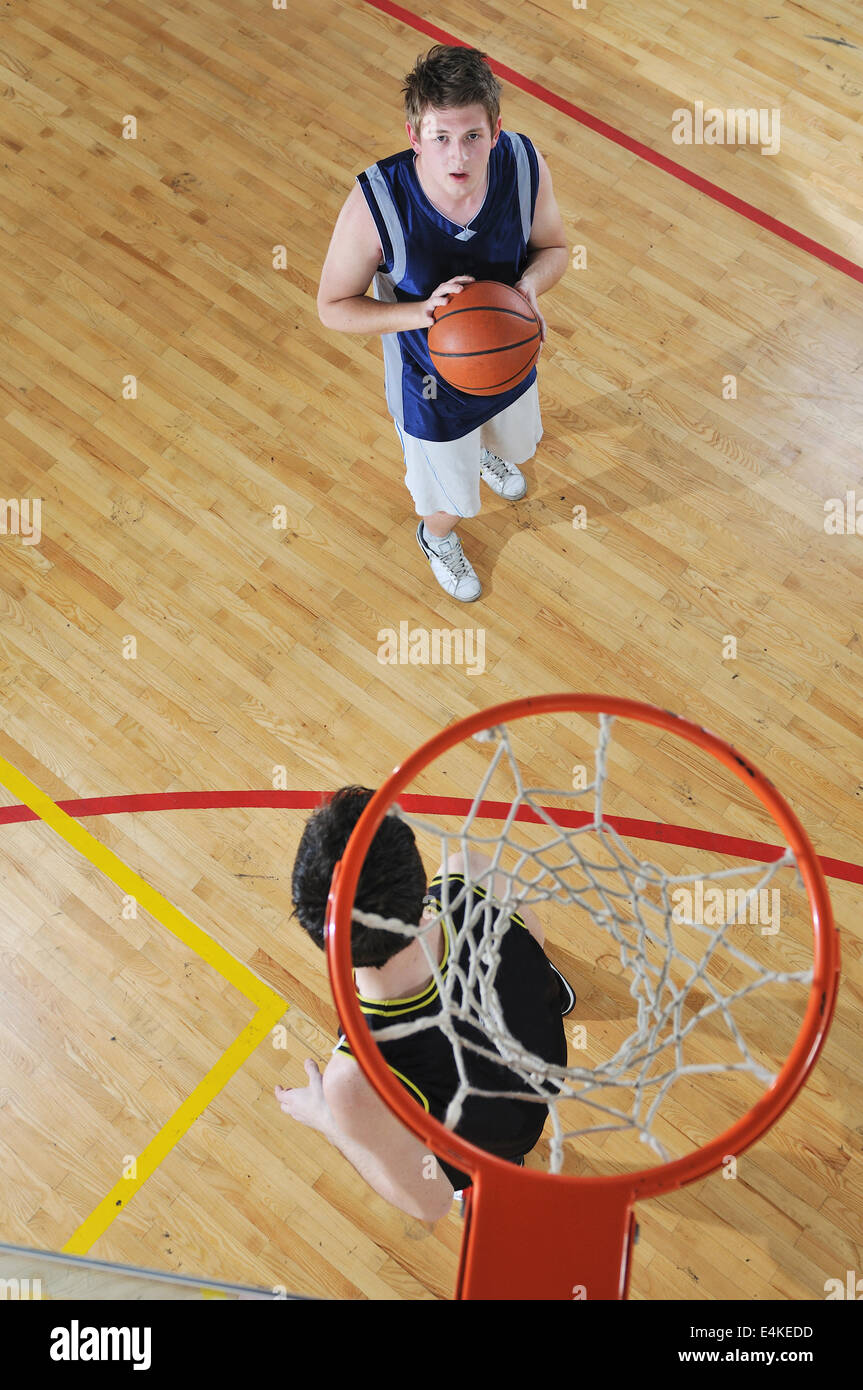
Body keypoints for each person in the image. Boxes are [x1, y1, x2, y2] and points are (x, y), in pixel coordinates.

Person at [316, 45, 569, 601]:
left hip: (504, 356)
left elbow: (554, 248)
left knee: (516, 445)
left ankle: (481, 451)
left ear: (496, 130)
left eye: (473, 136)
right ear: (414, 136)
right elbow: (331, 306)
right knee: (447, 503)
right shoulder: (375, 202)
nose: (458, 155)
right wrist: (423, 312)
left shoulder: (525, 165)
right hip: (428, 386)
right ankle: (435, 539)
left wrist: (526, 291)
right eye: (440, 137)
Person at [275, 787, 575, 1224]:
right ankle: (556, 990)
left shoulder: (354, 1078)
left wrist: (328, 1118)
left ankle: (498, 1176)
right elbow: (533, 935)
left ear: (319, 931)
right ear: (415, 872)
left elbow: (429, 1202)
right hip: (547, 1060)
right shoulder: (467, 875)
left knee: (466, 1163)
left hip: (502, 1141)